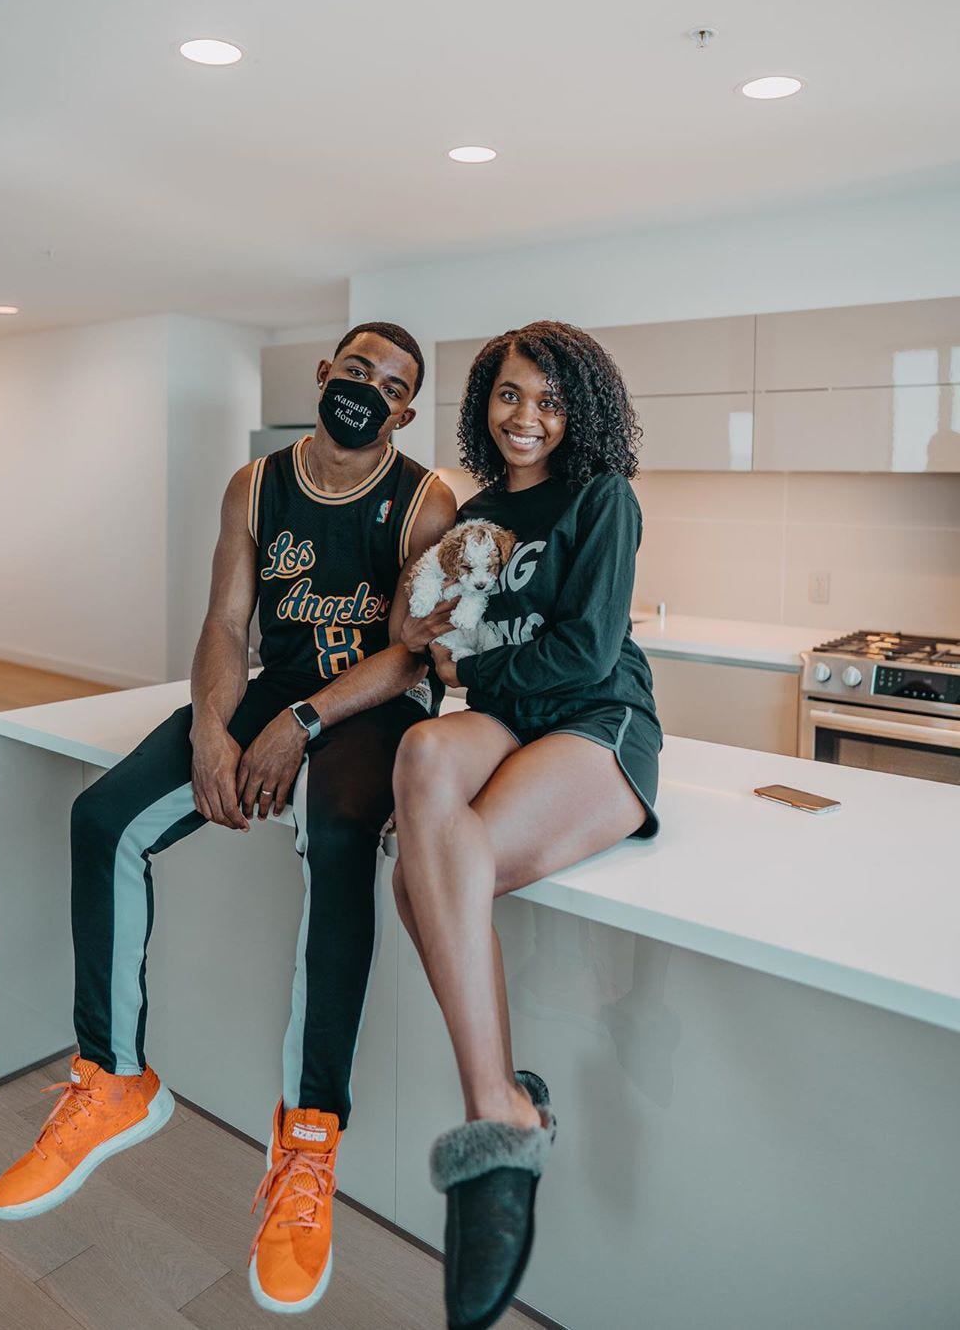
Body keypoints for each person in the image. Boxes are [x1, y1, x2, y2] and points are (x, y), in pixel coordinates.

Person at [0, 321, 459, 1317]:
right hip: (273, 684)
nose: (368, 390)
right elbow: (227, 621)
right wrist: (210, 724)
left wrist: (301, 723)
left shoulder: (425, 500)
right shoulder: (255, 484)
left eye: (392, 385)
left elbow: (412, 653)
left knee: (338, 839)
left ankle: (309, 1139)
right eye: (357, 370)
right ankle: (114, 1077)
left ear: (407, 411)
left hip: (371, 702)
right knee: (102, 817)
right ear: (324, 374)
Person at [390, 320, 662, 1330]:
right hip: (506, 714)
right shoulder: (479, 513)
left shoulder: (603, 497)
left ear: (579, 410)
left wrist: (473, 669)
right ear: (484, 403)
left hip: (595, 716)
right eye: (510, 394)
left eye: (550, 400)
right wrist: (437, 642)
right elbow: (437, 632)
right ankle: (502, 1100)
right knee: (422, 756)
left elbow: (586, 650)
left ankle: (493, 1117)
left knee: (418, 876)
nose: (527, 417)